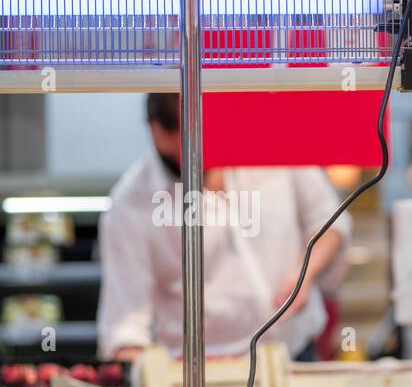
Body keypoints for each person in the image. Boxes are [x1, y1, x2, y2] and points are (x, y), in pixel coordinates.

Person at [96, 94, 351, 362]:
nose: (192, 162)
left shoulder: (274, 144)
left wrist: (305, 274)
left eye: (200, 143)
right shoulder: (130, 204)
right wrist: (148, 377)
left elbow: (330, 221)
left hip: (292, 350)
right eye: (177, 153)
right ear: (152, 128)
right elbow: (125, 325)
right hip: (194, 370)